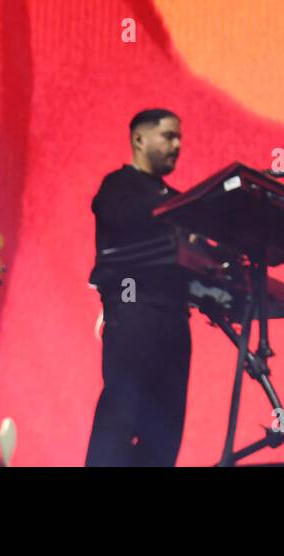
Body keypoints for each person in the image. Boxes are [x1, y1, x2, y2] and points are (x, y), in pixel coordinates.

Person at [85, 108, 191, 466]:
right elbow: (119, 216)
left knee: (165, 431)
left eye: (179, 137)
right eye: (168, 136)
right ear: (139, 139)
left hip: (175, 319)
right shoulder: (119, 185)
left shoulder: (178, 200)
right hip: (134, 312)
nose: (177, 145)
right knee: (121, 416)